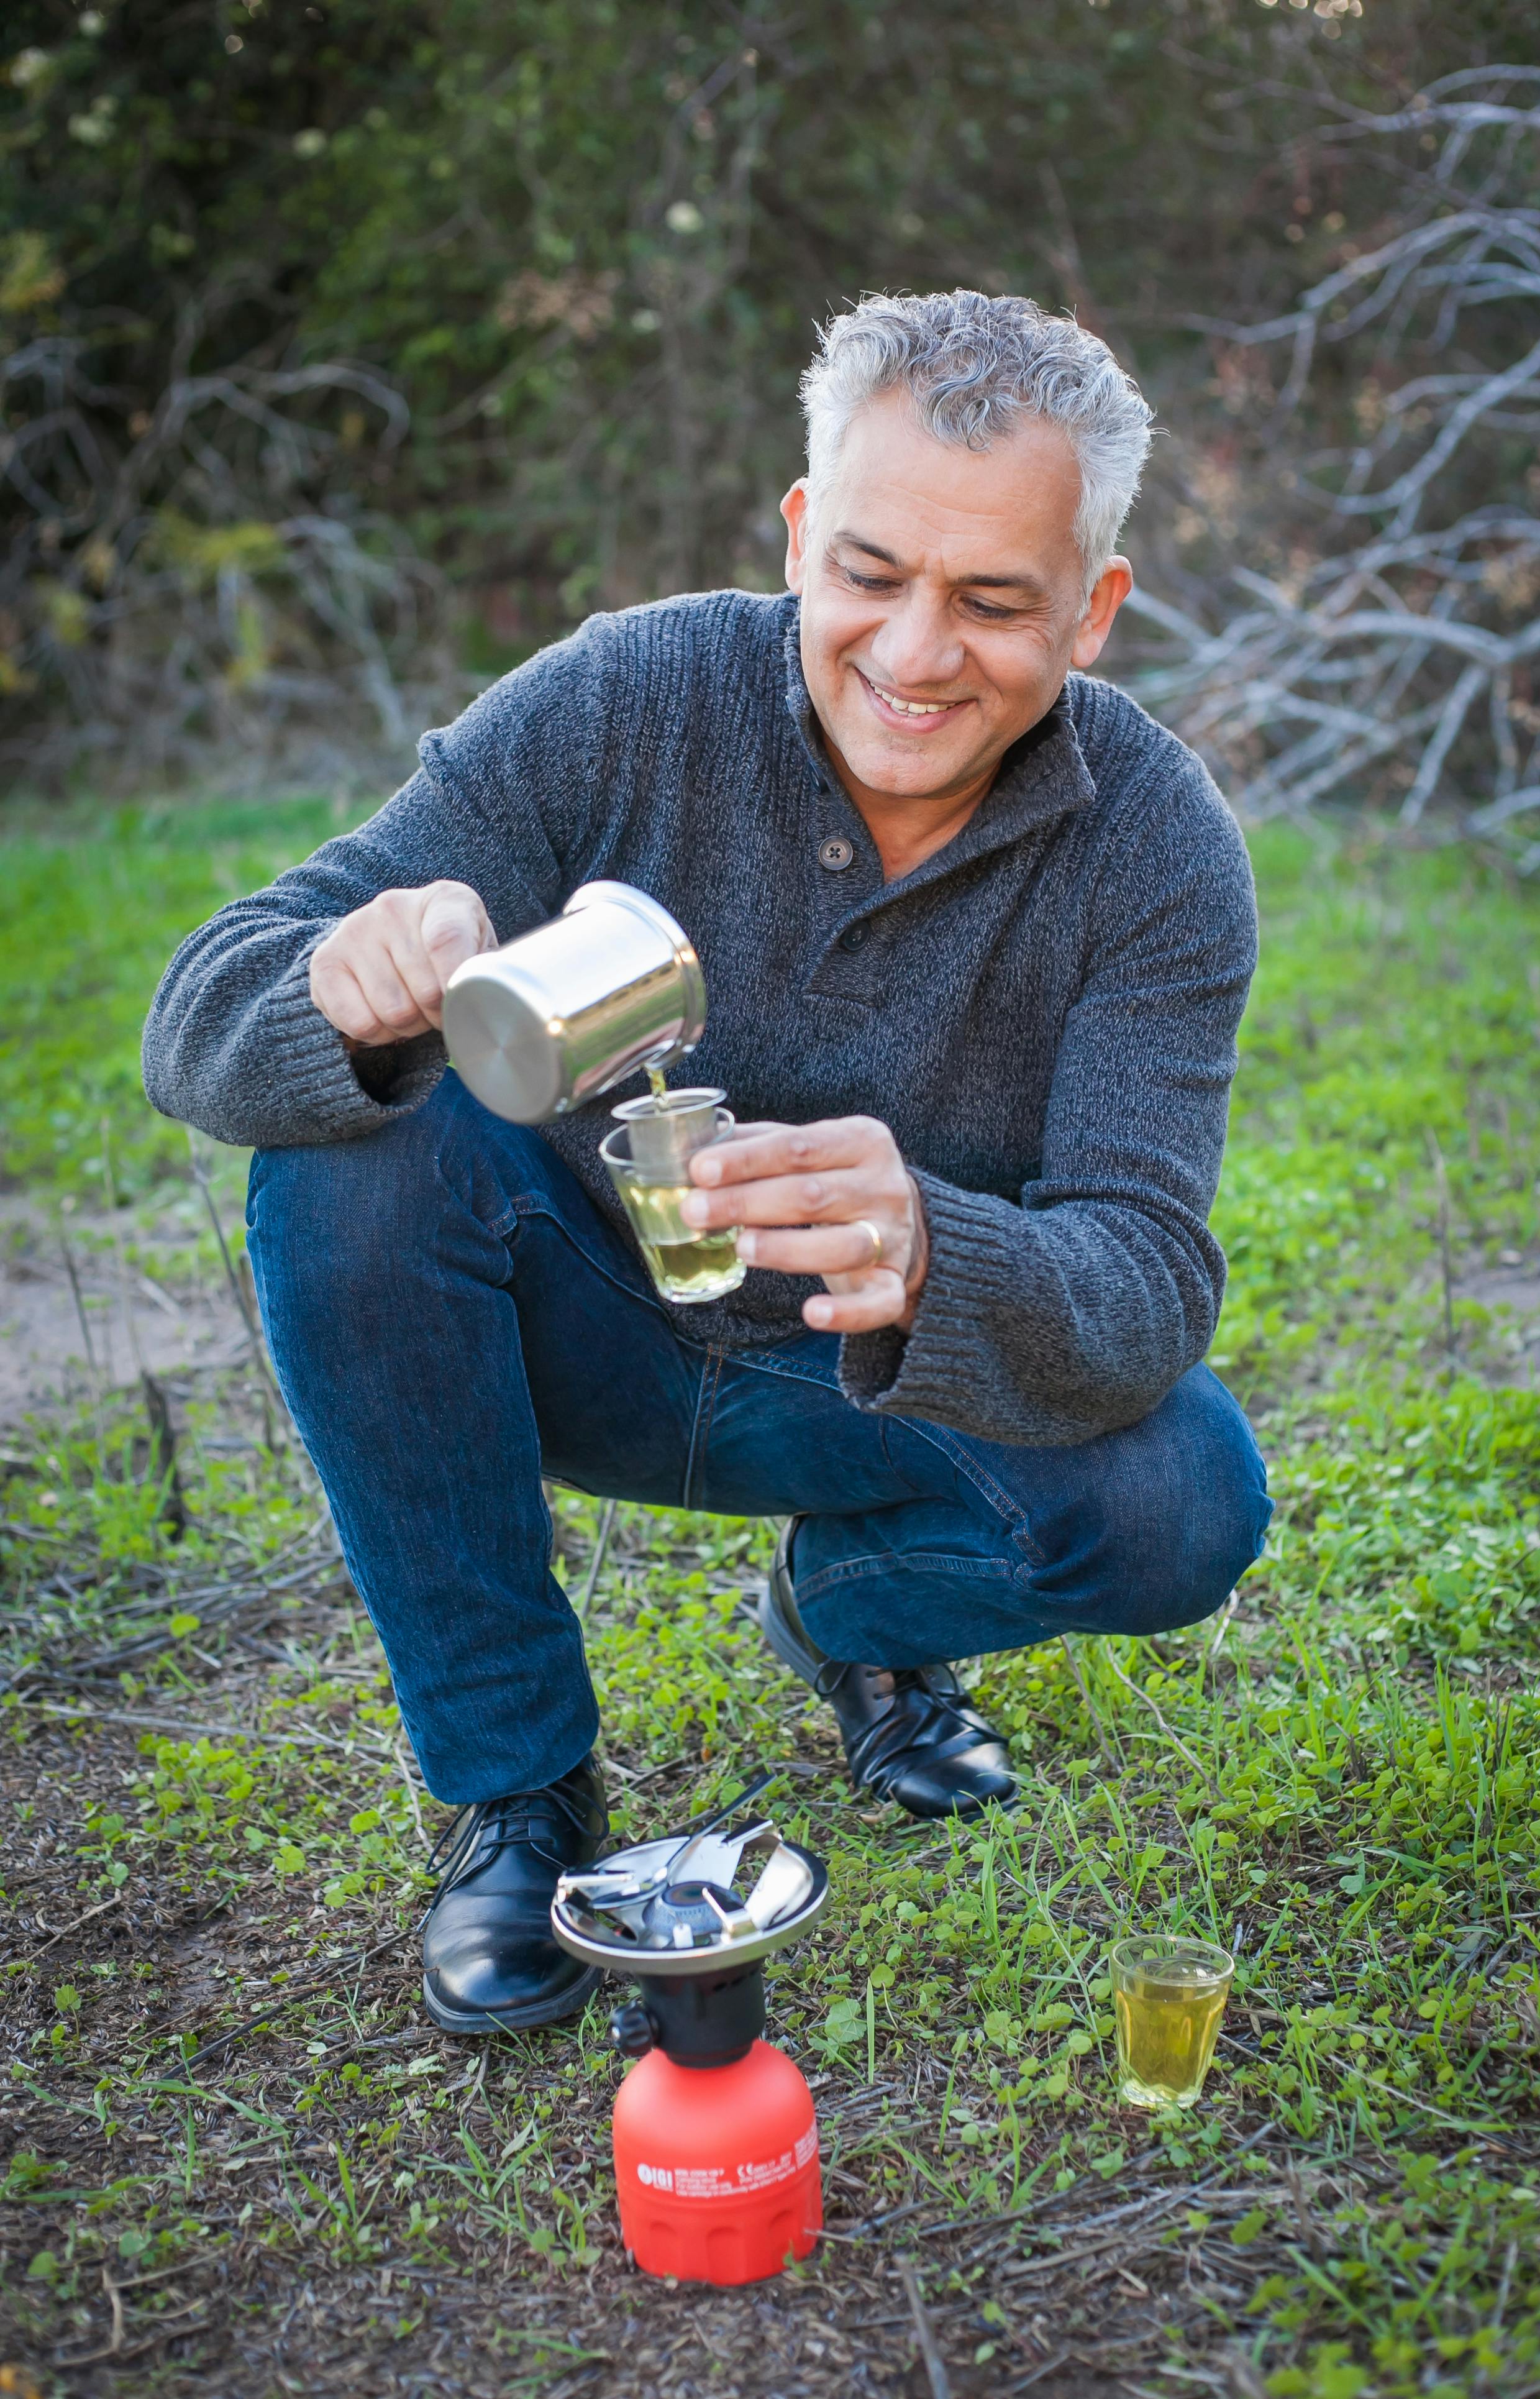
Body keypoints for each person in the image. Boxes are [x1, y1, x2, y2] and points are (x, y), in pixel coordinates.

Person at [144, 290, 1272, 2037]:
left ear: (1093, 609)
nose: (913, 655)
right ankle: (517, 1795)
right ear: (805, 533)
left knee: (1187, 1494)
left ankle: (851, 1614)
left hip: (870, 1387)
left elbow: (1142, 1276)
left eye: (992, 603)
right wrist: (347, 985)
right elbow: (199, 1014)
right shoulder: (630, 695)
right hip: (576, 1322)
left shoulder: (1160, 845)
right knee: (346, 1148)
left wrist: (934, 1251)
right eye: (875, 573)